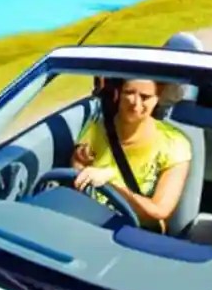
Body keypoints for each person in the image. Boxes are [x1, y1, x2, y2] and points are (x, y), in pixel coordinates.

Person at [70, 78, 192, 232]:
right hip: (89, 220)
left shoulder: (175, 144)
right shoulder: (96, 128)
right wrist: (78, 162)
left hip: (135, 232)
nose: (135, 103)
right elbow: (76, 174)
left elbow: (159, 211)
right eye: (129, 93)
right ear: (118, 93)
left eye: (145, 97)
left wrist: (112, 184)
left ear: (158, 97)